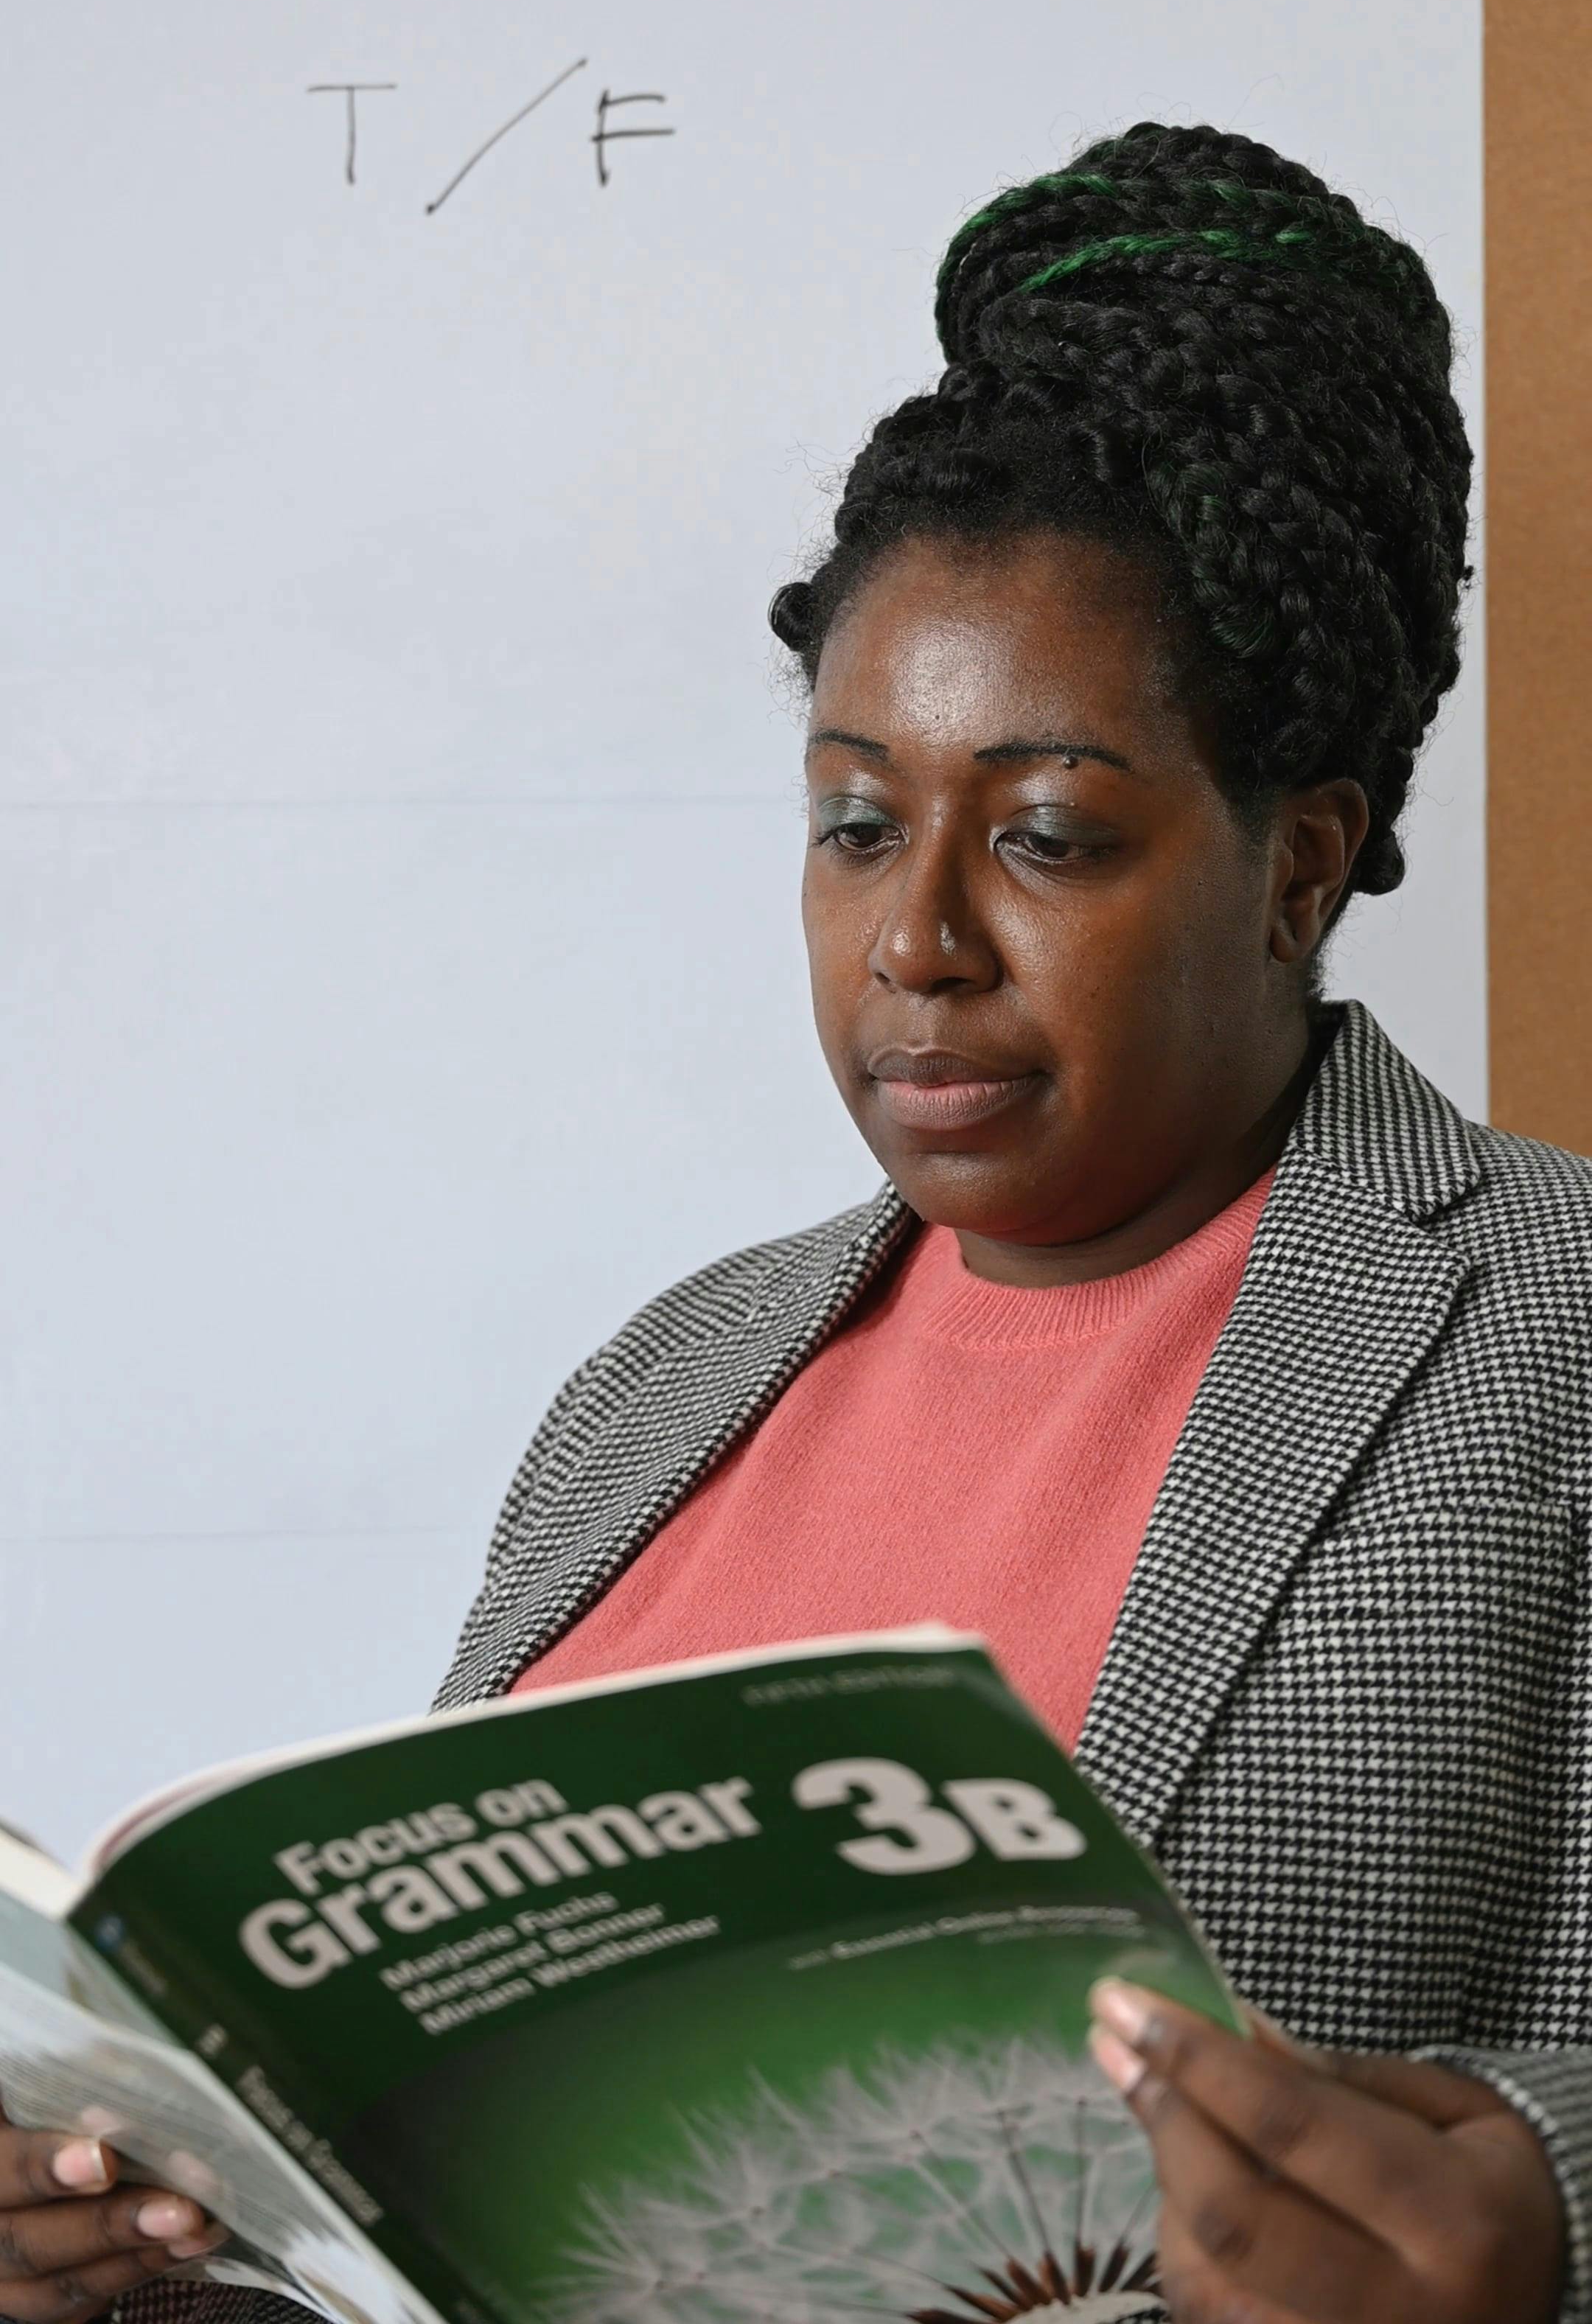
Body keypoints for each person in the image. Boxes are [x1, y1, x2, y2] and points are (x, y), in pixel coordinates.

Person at [2, 123, 1585, 2324]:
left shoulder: (1555, 1340)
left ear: (1298, 866)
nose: (912, 938)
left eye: (1043, 835)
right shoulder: (661, 1391)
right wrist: (123, 2248)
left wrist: (1551, 2219)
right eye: (854, 821)